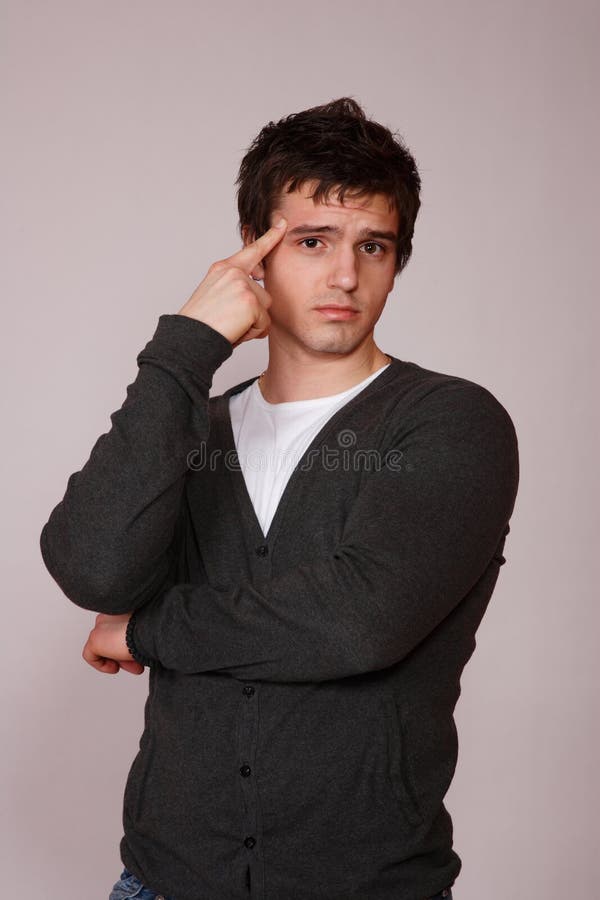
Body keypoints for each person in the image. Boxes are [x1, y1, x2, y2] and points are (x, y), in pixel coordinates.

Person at [40, 97, 519, 900]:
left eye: (374, 245)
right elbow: (92, 568)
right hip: (163, 883)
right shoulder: (192, 430)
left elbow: (353, 621)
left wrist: (149, 630)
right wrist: (187, 348)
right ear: (253, 254)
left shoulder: (450, 422)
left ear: (397, 261)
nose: (345, 275)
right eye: (312, 241)